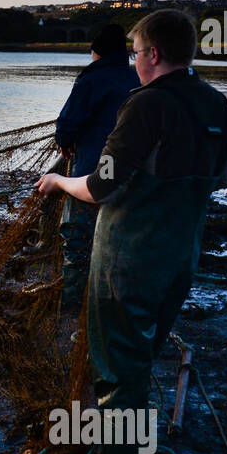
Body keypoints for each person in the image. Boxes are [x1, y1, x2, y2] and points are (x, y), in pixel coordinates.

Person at [35, 10, 227, 454]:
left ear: (154, 54)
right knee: (140, 361)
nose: (135, 60)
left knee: (117, 368)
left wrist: (60, 181)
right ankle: (134, 451)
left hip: (127, 258)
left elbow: (102, 187)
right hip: (180, 257)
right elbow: (221, 177)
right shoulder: (217, 103)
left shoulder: (146, 105)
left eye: (137, 51)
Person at [54, 24, 140, 307]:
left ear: (97, 53)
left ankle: (73, 305)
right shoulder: (138, 77)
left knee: (77, 238)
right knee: (118, 244)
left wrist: (65, 140)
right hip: (131, 176)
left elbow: (66, 125)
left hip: (92, 171)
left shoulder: (91, 78)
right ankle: (111, 302)